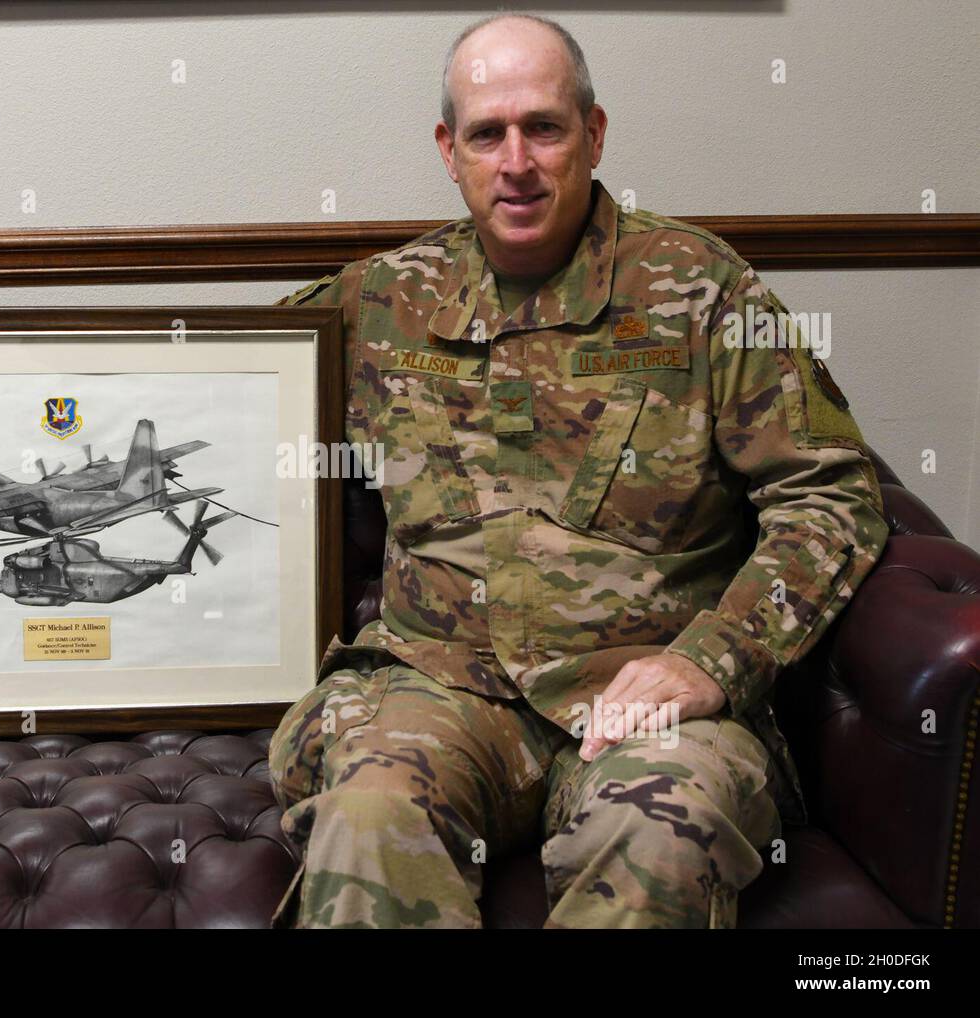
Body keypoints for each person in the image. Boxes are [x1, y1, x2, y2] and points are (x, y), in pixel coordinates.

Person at [266, 13, 889, 928]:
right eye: (487, 132)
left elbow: (830, 496)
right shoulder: (383, 301)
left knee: (660, 832)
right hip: (438, 691)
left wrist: (715, 660)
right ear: (450, 150)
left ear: (594, 135)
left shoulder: (701, 290)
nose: (515, 159)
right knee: (365, 817)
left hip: (643, 694)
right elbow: (230, 385)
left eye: (544, 127)